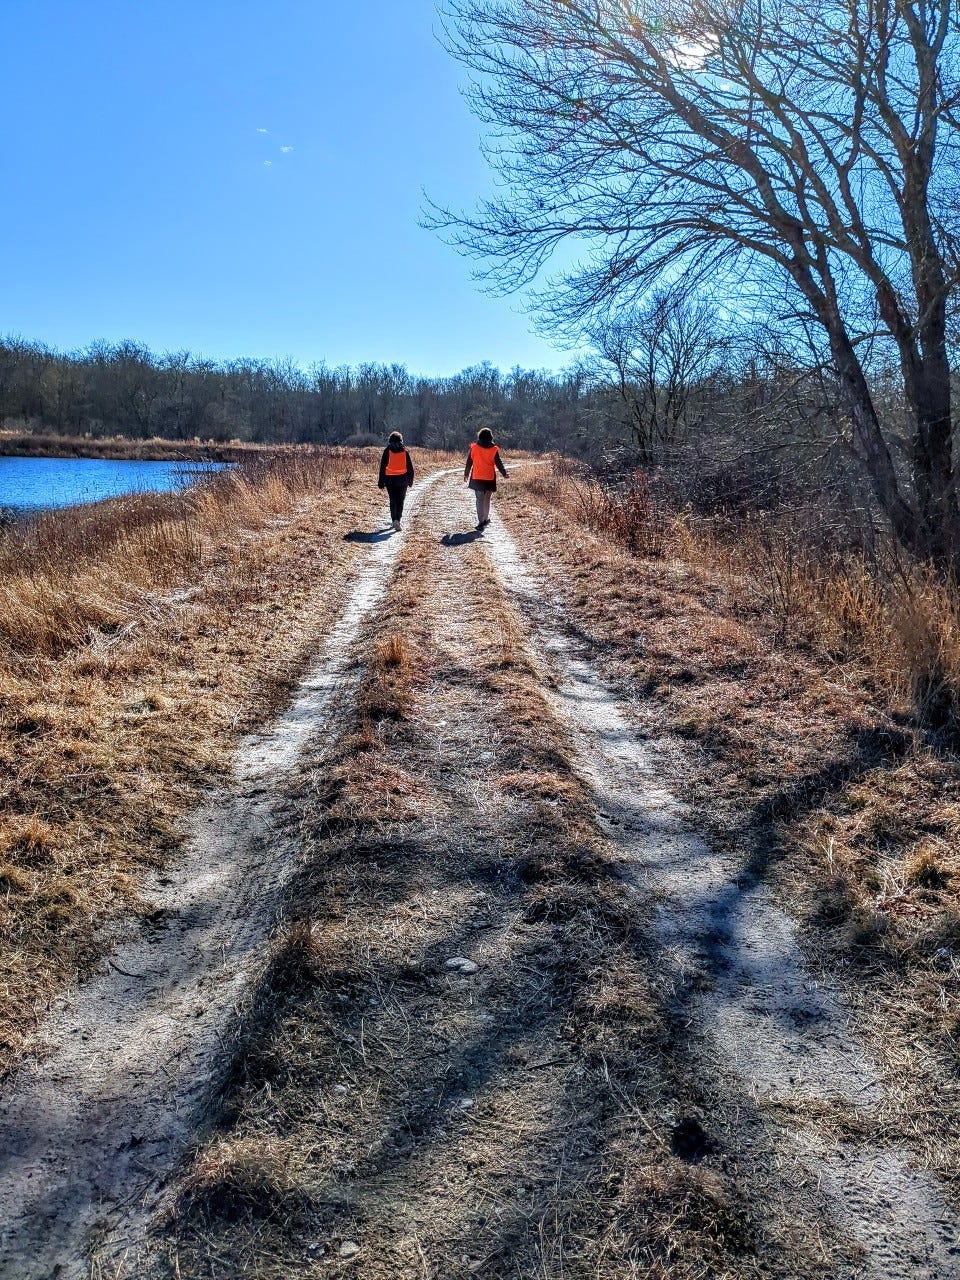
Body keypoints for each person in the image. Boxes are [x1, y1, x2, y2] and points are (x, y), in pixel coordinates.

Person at [464, 427, 508, 528]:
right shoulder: (494, 449)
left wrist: (466, 474)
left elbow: (469, 461)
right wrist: (504, 473)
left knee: (479, 499)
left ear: (479, 436)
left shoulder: (474, 447)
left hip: (477, 477)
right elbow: (498, 462)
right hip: (489, 477)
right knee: (487, 499)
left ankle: (481, 521)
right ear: (490, 437)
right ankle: (486, 519)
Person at [378, 431, 414, 530]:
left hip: (390, 480)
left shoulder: (387, 451)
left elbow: (382, 467)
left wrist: (381, 482)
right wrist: (410, 481)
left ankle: (394, 520)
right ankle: (398, 520)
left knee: (393, 500)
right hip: (403, 480)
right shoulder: (405, 451)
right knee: (400, 500)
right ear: (401, 440)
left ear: (390, 440)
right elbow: (410, 468)